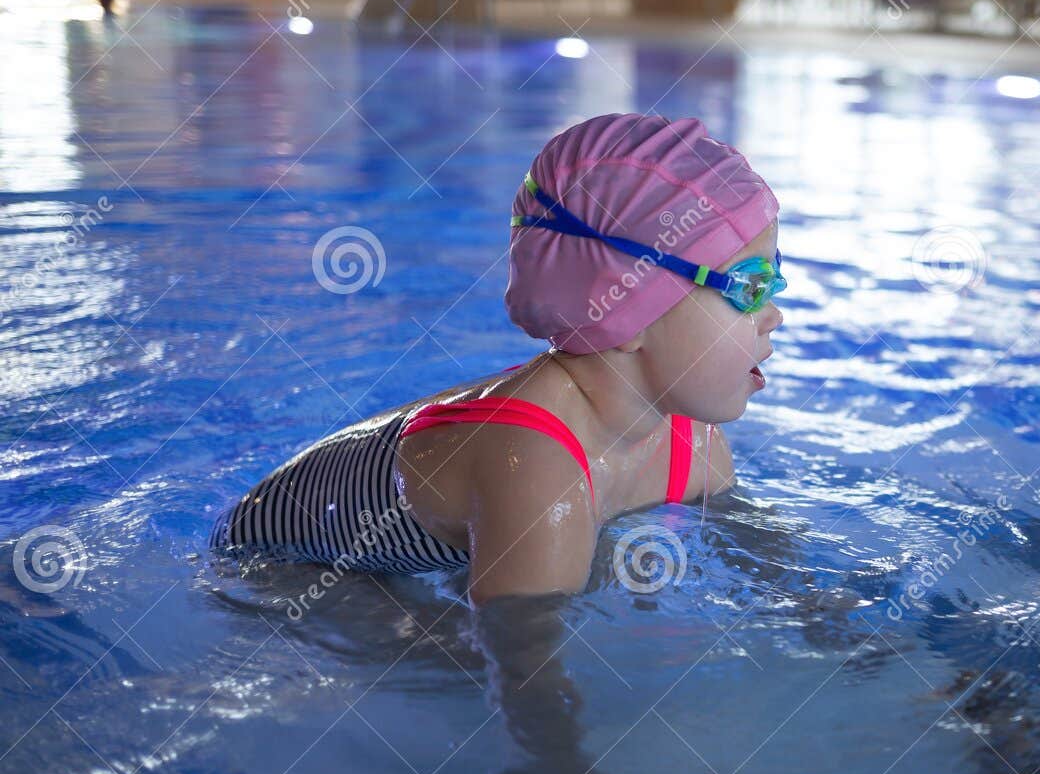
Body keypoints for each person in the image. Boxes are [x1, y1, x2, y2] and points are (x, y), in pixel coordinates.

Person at [211, 112, 785, 603]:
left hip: (410, 557)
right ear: (630, 312)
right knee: (439, 673)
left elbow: (764, 560)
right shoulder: (535, 464)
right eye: (751, 288)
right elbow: (523, 679)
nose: (775, 314)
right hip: (280, 576)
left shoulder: (693, 438)